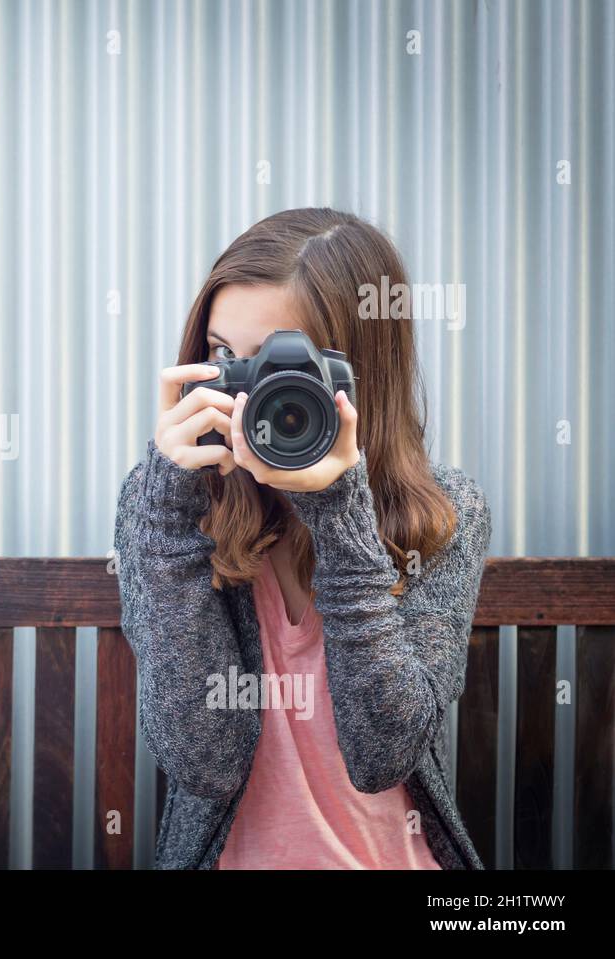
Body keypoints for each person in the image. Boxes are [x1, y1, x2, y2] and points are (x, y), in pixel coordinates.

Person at [113, 207, 492, 869]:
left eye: (280, 367)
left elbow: (383, 756)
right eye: (225, 357)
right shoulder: (171, 505)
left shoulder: (444, 512)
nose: (251, 395)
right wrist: (169, 521)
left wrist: (341, 515)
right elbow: (204, 761)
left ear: (360, 374)